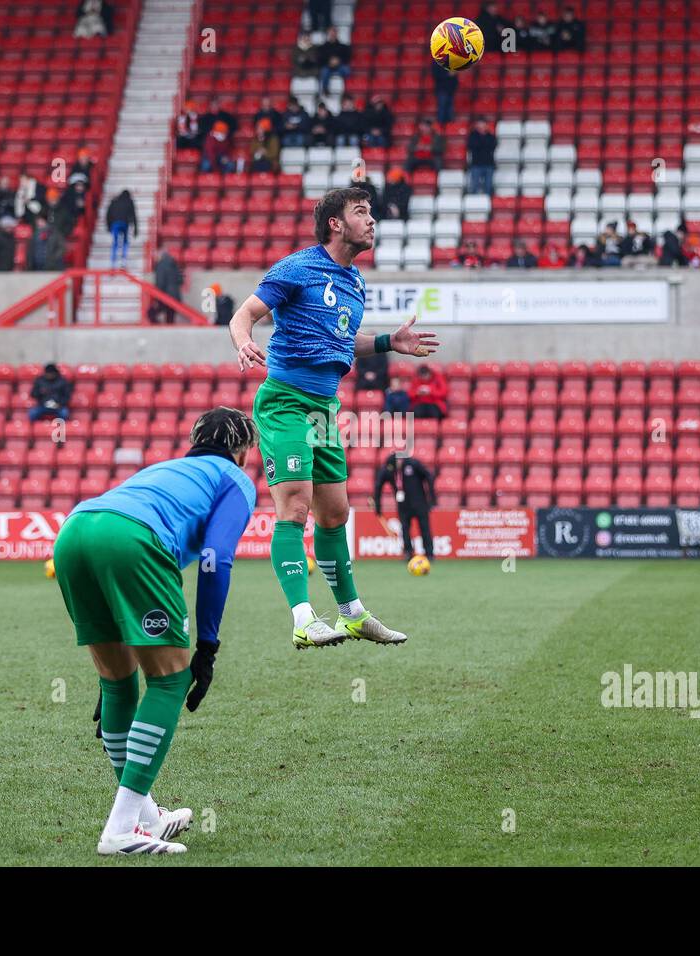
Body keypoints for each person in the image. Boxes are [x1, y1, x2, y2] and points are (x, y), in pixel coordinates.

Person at [227, 187, 439, 649]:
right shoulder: (298, 266)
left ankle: (352, 615)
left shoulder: (354, 282)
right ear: (335, 224)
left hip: (324, 408)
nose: (372, 220)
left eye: (372, 212)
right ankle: (303, 618)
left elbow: (343, 339)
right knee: (296, 506)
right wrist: (243, 340)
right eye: (361, 212)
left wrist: (387, 343)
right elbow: (245, 313)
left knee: (336, 513)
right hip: (284, 401)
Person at [52, 407, 258, 855]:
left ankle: (148, 818)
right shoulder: (235, 478)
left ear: (194, 439)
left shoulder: (167, 466)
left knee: (118, 685)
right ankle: (120, 830)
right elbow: (213, 559)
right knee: (168, 681)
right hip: (133, 540)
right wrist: (207, 646)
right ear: (243, 451)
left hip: (75, 530)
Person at [374, 451, 437, 563]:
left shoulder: (413, 464)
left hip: (420, 503)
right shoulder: (389, 469)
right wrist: (378, 507)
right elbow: (378, 485)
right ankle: (408, 553)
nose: (392, 469)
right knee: (405, 529)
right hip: (403, 505)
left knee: (425, 528)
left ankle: (429, 553)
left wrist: (432, 499)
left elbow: (429, 476)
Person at [105, 189, 137, 270]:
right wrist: (135, 228)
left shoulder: (114, 201)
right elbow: (133, 215)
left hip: (115, 224)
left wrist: (108, 226)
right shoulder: (129, 201)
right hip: (124, 223)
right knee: (125, 242)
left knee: (115, 243)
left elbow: (108, 214)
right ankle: (123, 261)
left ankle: (113, 262)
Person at [316, 27, 352, 94]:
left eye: (334, 33)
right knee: (324, 72)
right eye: (330, 33)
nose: (332, 34)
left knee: (347, 70)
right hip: (327, 66)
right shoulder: (323, 47)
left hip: (340, 65)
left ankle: (348, 90)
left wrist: (339, 61)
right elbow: (320, 59)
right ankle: (325, 90)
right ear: (328, 34)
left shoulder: (343, 46)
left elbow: (347, 57)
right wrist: (329, 61)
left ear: (336, 34)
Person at [466, 118, 497, 195]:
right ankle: (474, 203)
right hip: (476, 164)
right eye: (479, 124)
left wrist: (481, 144)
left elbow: (493, 146)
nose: (481, 126)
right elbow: (471, 146)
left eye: (482, 124)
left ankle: (487, 203)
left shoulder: (490, 136)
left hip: (488, 164)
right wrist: (483, 144)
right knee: (474, 186)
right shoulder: (472, 136)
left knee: (488, 186)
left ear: (486, 125)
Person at [153, 244, 182, 323]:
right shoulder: (174, 263)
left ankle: (155, 330)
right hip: (175, 294)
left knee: (151, 313)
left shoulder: (161, 265)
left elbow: (160, 282)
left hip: (165, 295)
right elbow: (180, 279)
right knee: (170, 318)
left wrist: (157, 296)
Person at [432, 59, 459, 125]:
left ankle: (450, 127)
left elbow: (455, 76)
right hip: (442, 89)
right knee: (442, 107)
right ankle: (440, 126)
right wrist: (447, 74)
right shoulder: (437, 61)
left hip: (450, 89)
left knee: (450, 108)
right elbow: (435, 74)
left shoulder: (452, 60)